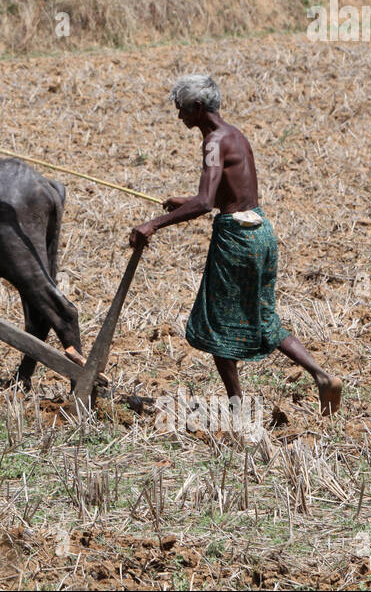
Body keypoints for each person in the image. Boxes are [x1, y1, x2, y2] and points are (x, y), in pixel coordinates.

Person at [130, 74, 342, 415]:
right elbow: (226, 195)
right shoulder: (236, 136)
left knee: (216, 324)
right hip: (261, 232)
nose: (179, 116)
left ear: (198, 107)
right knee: (264, 317)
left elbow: (203, 203)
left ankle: (237, 406)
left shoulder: (213, 142)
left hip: (235, 240)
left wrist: (152, 225)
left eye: (181, 109)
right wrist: (185, 200)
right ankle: (320, 376)